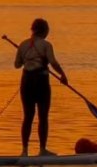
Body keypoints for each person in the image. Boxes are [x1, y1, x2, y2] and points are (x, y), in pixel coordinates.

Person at [14, 18, 68, 157]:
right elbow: (53, 62)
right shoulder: (46, 45)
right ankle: (42, 150)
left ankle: (24, 151)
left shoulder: (23, 45)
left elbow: (17, 65)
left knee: (28, 116)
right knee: (43, 116)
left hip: (26, 81)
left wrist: (28, 57)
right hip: (41, 81)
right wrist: (63, 75)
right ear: (44, 31)